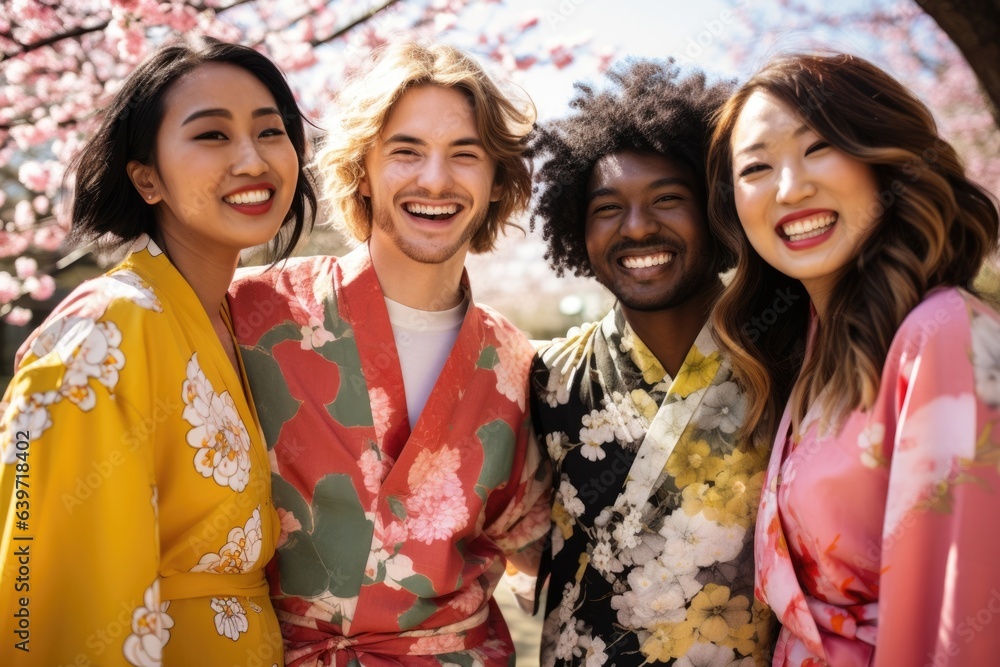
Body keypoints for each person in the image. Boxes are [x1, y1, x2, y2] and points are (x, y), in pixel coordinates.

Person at [227, 42, 552, 666]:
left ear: (495, 181)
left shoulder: (512, 362)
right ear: (363, 170)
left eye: (466, 155)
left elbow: (535, 540)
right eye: (406, 151)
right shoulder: (254, 315)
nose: (435, 179)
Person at [0, 37, 316, 666]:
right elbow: (48, 581)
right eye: (211, 136)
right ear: (146, 178)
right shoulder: (103, 331)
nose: (252, 159)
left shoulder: (240, 322)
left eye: (270, 132)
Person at [707, 52, 1000, 666]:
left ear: (881, 159)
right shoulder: (807, 351)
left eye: (817, 148)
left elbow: (959, 620)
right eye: (756, 167)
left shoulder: (944, 335)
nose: (790, 189)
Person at [527, 59, 775, 667]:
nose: (637, 228)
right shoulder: (546, 376)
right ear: (576, 230)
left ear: (718, 210)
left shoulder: (787, 360)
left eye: (668, 199)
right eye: (607, 208)